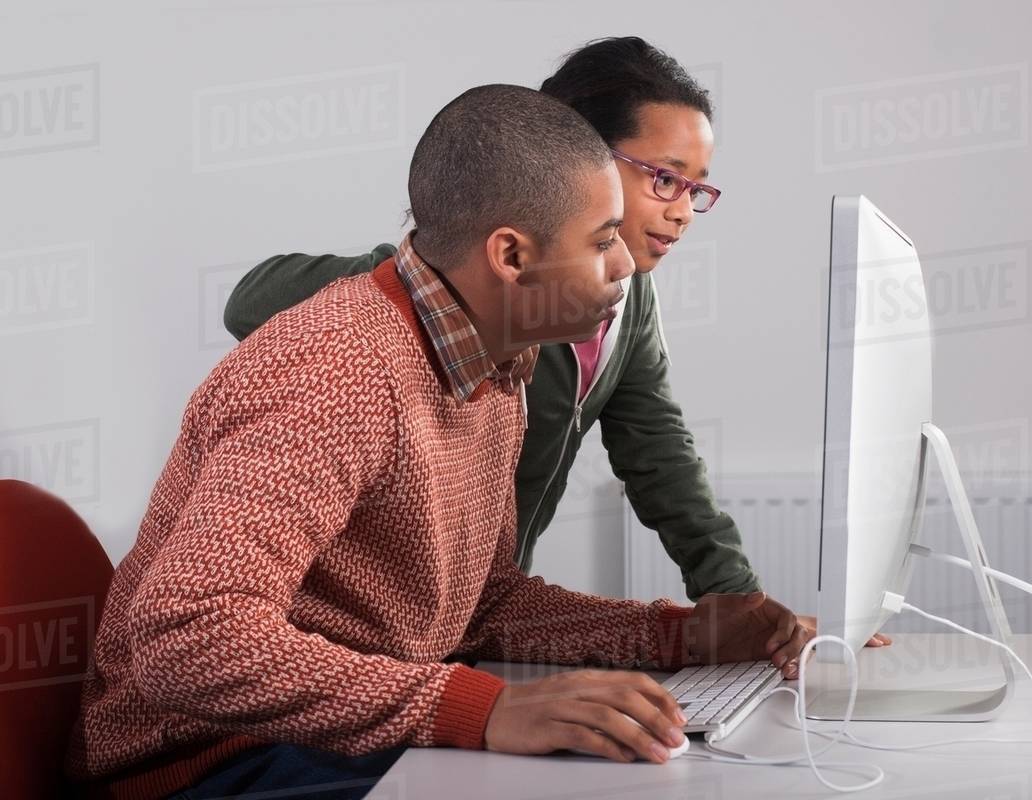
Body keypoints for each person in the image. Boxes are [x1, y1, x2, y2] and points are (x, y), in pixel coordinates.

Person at [66, 85, 812, 800]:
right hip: (212, 765)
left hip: (331, 735)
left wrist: (681, 638)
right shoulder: (339, 368)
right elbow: (187, 635)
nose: (625, 268)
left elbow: (481, 606)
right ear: (512, 256)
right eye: (601, 241)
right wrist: (481, 708)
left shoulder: (495, 368)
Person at [222, 37, 892, 649]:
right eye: (665, 178)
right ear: (578, 158)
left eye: (697, 188)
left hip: (480, 607)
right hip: (354, 640)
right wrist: (413, 286)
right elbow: (249, 300)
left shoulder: (626, 302)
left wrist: (732, 604)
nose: (684, 209)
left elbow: (657, 449)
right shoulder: (458, 308)